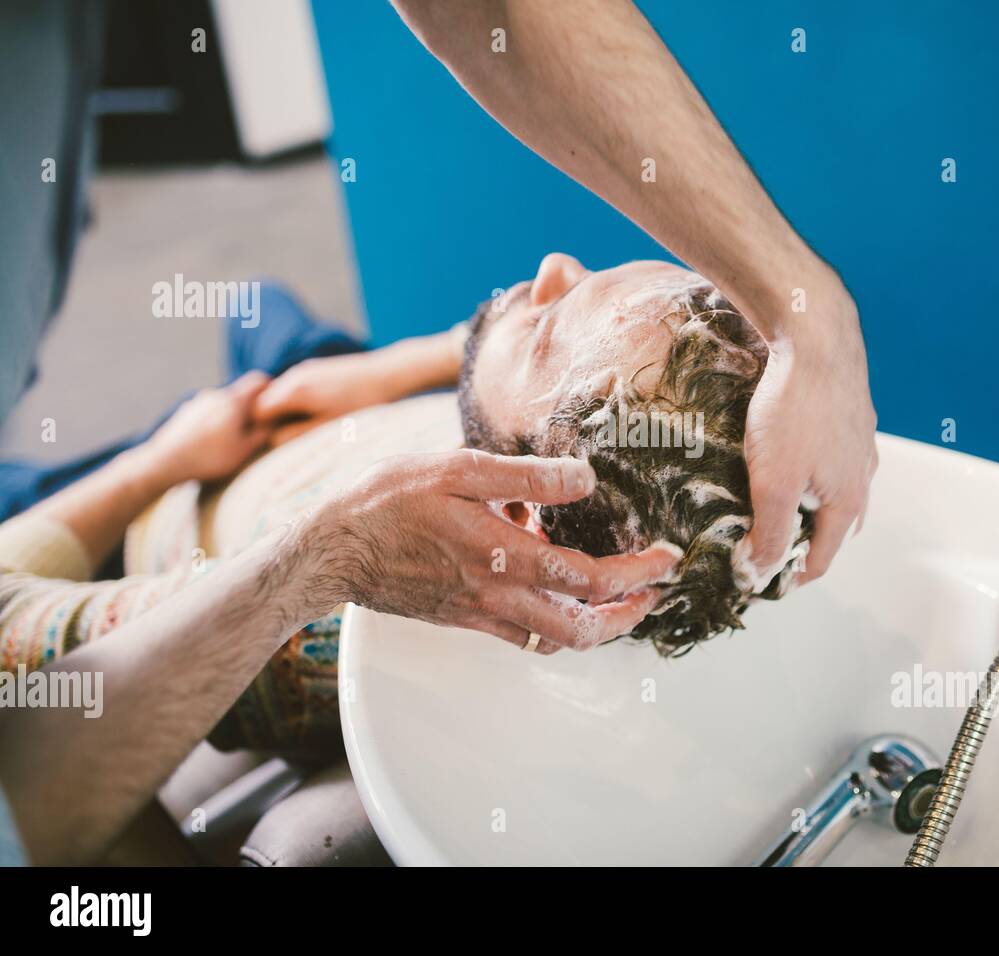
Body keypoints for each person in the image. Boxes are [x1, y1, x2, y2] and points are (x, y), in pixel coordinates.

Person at [0, 0, 875, 865]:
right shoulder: (610, 498)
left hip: (174, 491)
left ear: (519, 517)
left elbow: (13, 629)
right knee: (274, 321)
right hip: (337, 416)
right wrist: (396, 370)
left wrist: (159, 463)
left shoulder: (312, 639)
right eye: (591, 280)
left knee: (245, 312)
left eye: (547, 326)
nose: (553, 268)